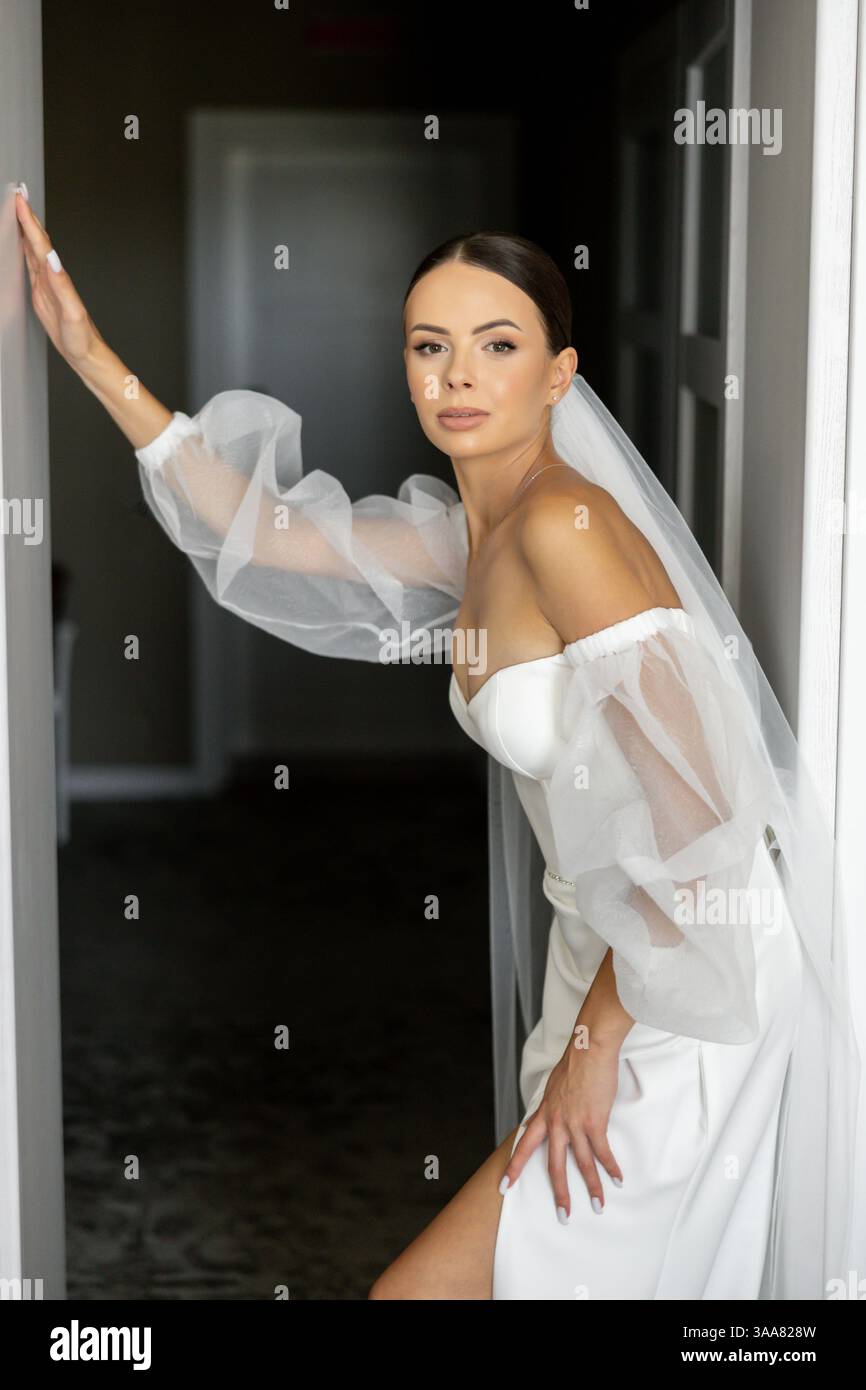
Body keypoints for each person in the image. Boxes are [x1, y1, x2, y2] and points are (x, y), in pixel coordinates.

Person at [15, 192, 859, 1301]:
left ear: (557, 375)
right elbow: (251, 524)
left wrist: (597, 1045)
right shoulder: (463, 534)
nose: (456, 375)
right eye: (429, 345)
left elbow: (697, 811)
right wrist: (87, 353)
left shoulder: (568, 527)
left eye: (495, 345)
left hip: (682, 974)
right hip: (607, 950)